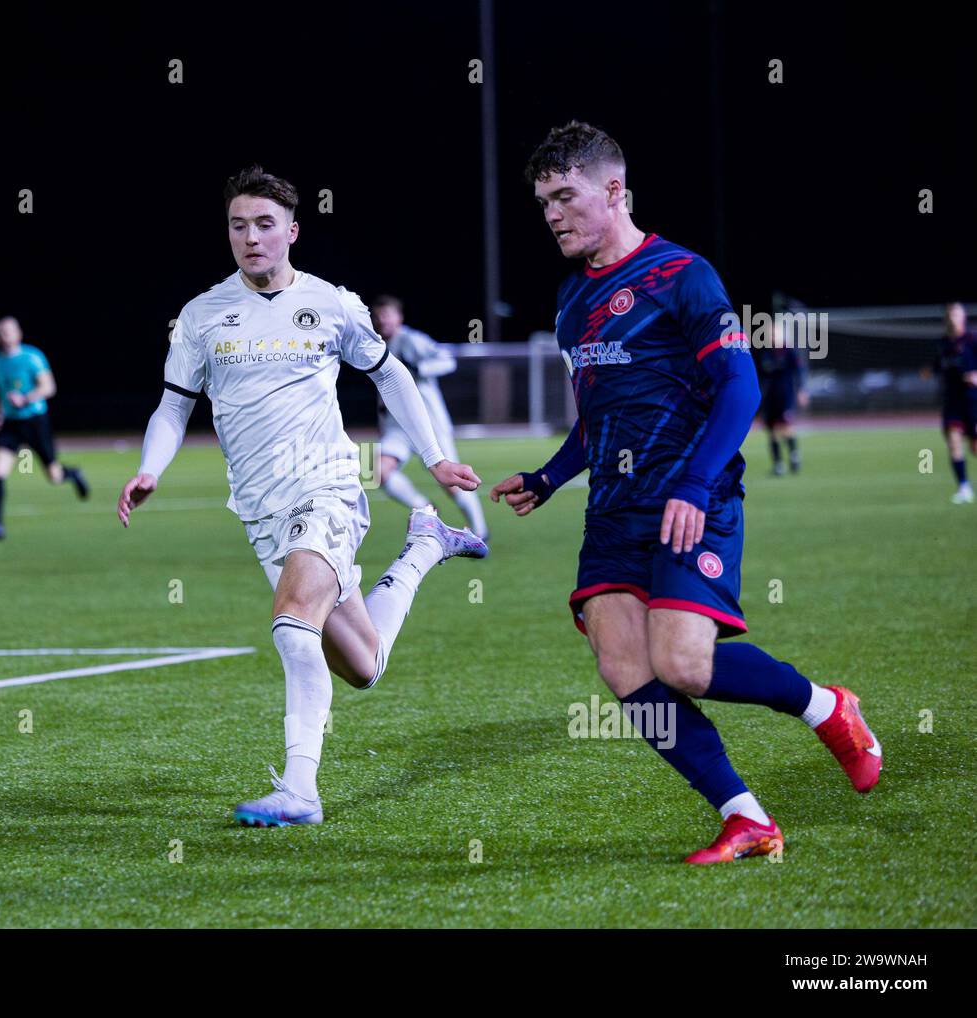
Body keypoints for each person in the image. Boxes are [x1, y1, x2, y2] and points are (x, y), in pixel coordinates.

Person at [490, 121, 881, 864]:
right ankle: (746, 817)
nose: (552, 214)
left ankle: (827, 706)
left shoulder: (682, 274)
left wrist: (695, 484)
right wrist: (548, 478)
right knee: (624, 667)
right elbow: (595, 419)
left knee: (685, 667)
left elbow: (742, 385)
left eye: (565, 196)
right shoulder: (573, 302)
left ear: (614, 190)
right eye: (543, 201)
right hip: (611, 510)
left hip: (688, 499)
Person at [117, 166, 487, 827]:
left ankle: (299, 790)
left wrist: (436, 457)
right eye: (238, 226)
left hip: (328, 489)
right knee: (362, 665)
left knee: (292, 624)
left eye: (264, 225)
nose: (251, 238)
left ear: (291, 230)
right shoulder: (202, 316)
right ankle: (425, 548)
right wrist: (151, 470)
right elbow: (173, 408)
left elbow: (392, 375)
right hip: (261, 510)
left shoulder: (333, 303)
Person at [370, 295, 490, 540]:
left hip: (428, 425)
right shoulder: (377, 345)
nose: (382, 320)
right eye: (378, 315)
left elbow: (447, 360)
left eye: (387, 314)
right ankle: (425, 508)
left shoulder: (411, 340)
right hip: (398, 428)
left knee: (453, 481)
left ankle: (479, 533)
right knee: (375, 470)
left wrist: (421, 368)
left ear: (399, 317)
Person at [0, 316, 88, 540]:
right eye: (0, 333)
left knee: (54, 476)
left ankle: (73, 474)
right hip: (11, 423)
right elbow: (3, 394)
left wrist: (26, 399)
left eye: (9, 331)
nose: (5, 336)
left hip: (35, 420)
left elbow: (49, 387)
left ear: (18, 333)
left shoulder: (32, 357)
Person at [934, 301, 977, 504]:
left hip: (973, 401)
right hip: (952, 402)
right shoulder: (942, 344)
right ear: (946, 319)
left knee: (974, 448)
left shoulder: (972, 340)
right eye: (950, 315)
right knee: (953, 442)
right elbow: (937, 367)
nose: (954, 318)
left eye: (957, 315)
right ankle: (964, 488)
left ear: (963, 318)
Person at [756, 321, 807, 475]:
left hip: (786, 396)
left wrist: (801, 390)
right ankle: (778, 464)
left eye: (774, 333)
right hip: (770, 398)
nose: (772, 336)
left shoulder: (789, 351)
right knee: (771, 431)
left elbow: (799, 371)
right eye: (770, 334)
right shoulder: (766, 353)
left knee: (785, 427)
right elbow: (761, 375)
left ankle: (794, 455)